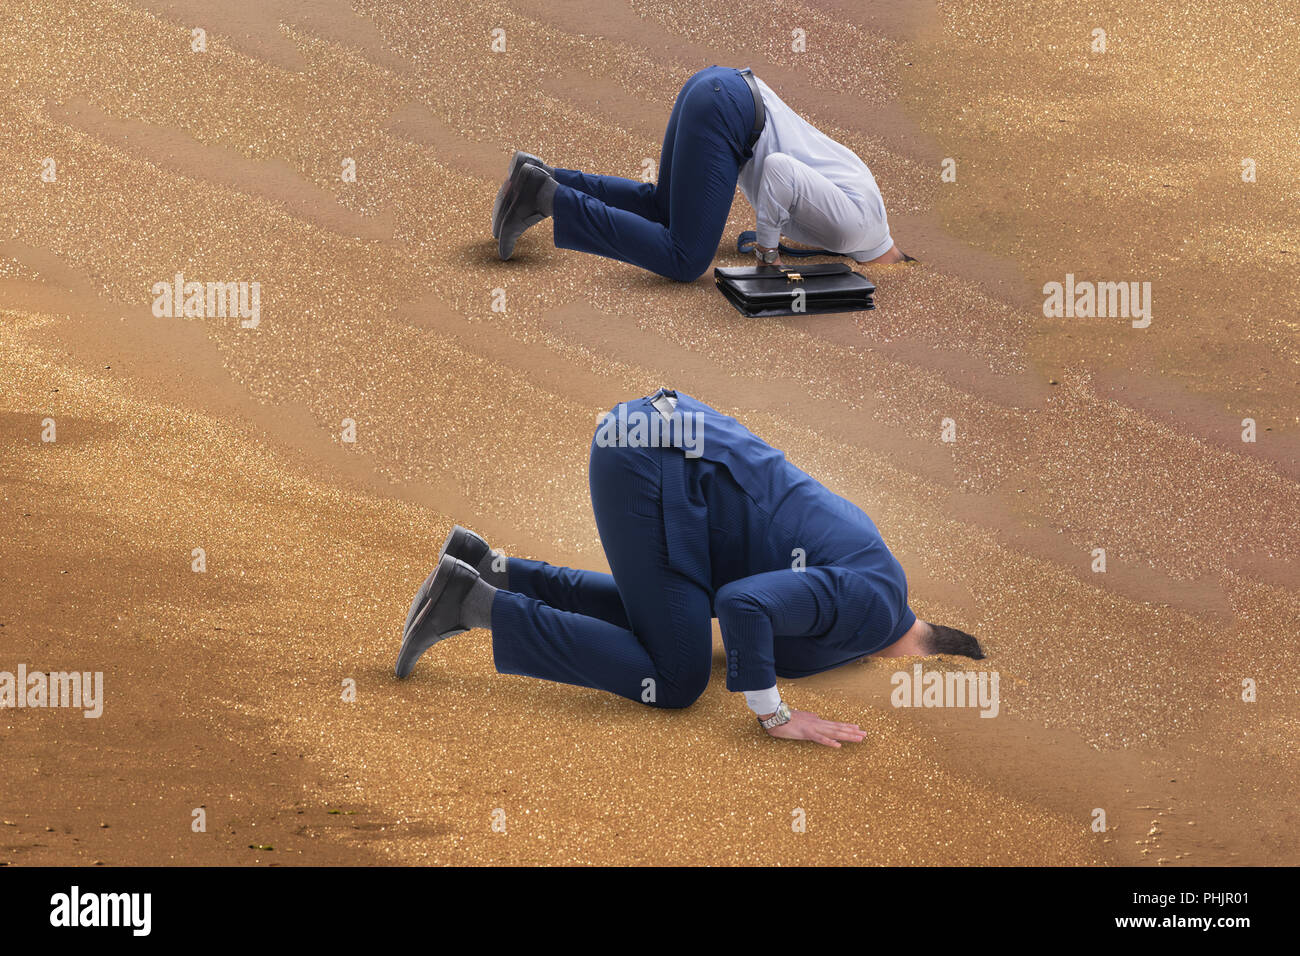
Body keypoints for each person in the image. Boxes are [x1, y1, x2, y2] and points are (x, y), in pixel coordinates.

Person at [395, 389, 982, 746]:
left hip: (663, 430)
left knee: (676, 617)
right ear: (910, 651)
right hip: (651, 459)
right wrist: (771, 712)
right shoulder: (869, 608)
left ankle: (490, 569)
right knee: (678, 678)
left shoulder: (878, 574)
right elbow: (743, 605)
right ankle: (470, 603)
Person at [493, 65, 910, 280]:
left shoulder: (868, 217)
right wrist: (768, 253)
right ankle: (546, 196)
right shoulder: (856, 232)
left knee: (664, 210)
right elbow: (781, 171)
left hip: (719, 88)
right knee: (687, 259)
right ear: (892, 262)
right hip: (727, 113)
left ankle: (540, 175)